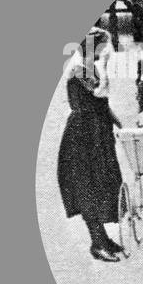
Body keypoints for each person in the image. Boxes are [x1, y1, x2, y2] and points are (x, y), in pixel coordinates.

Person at [56, 31, 125, 262]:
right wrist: (104, 65)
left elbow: (102, 103)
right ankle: (96, 242)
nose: (109, 50)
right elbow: (100, 91)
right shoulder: (80, 68)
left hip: (98, 132)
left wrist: (118, 122)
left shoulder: (89, 66)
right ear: (94, 48)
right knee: (88, 186)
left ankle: (102, 238)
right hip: (83, 135)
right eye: (105, 46)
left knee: (102, 184)